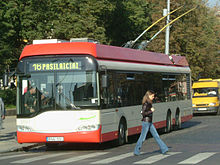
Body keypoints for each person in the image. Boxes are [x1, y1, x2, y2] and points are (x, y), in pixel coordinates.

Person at [134, 90, 168, 156]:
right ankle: (136, 150)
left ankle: (164, 149)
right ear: (149, 95)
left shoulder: (148, 103)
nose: (153, 97)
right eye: (152, 96)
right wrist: (150, 111)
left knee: (156, 136)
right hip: (146, 122)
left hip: (149, 122)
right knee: (143, 137)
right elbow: (143, 113)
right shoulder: (146, 103)